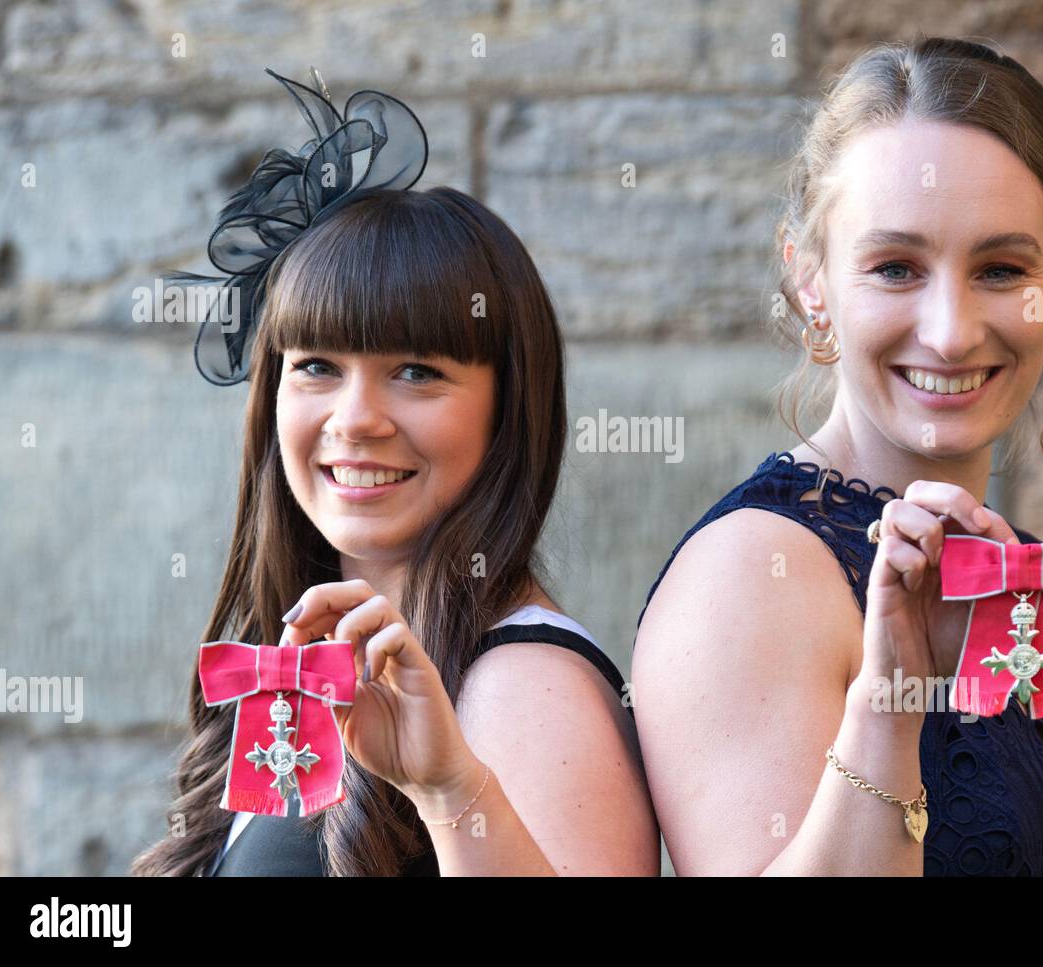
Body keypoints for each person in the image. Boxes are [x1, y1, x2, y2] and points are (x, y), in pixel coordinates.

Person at [632, 37, 1043, 876]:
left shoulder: (1006, 563)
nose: (950, 331)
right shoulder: (751, 576)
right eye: (896, 266)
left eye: (1000, 268)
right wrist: (887, 706)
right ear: (811, 279)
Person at [131, 69, 658, 876]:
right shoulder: (312, 667)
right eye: (315, 366)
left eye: (415, 371)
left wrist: (452, 793)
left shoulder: (524, 687)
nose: (354, 418)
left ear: (508, 407)